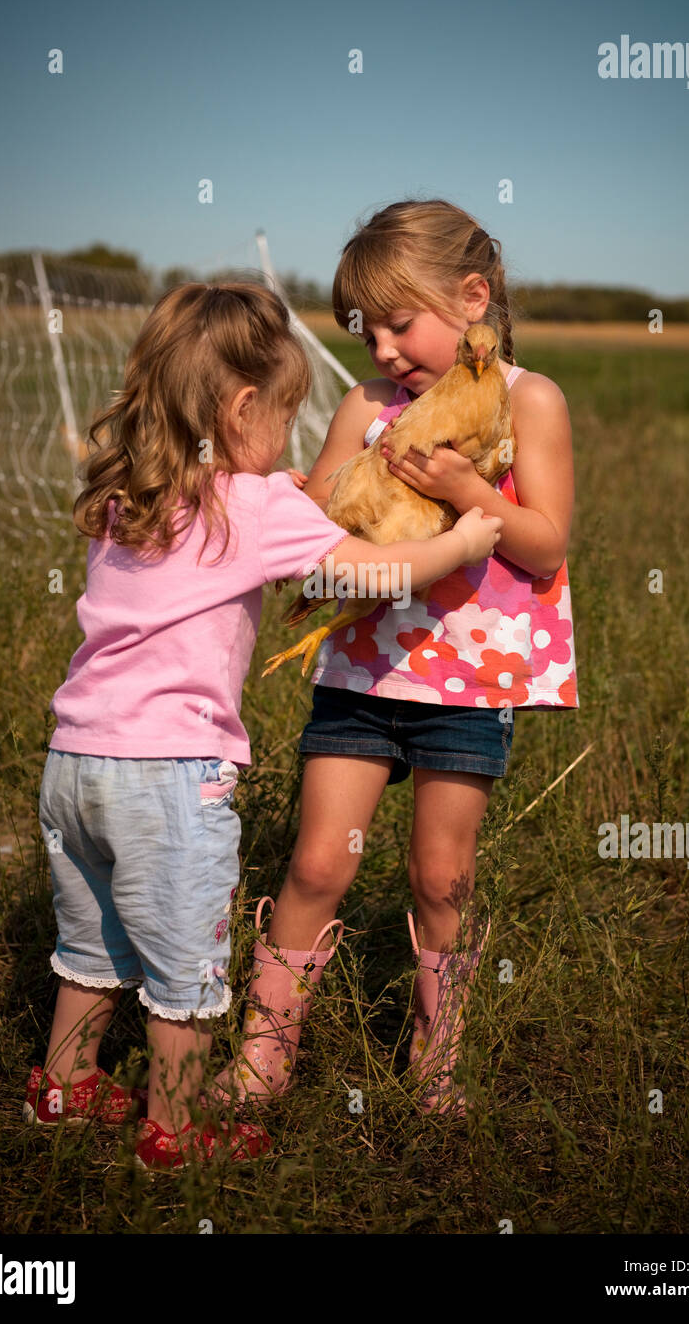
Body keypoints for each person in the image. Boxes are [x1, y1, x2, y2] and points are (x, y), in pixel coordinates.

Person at [26, 278, 504, 1170]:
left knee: (89, 942)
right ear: (242, 407)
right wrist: (461, 546)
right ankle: (176, 1129)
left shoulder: (126, 496)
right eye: (283, 418)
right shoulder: (254, 508)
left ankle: (64, 1084)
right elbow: (367, 573)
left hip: (75, 764)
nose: (288, 437)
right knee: (184, 967)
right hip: (170, 779)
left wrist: (272, 490)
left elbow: (212, 543)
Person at [211, 199, 579, 1117]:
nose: (380, 348)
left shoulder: (530, 397)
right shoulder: (368, 406)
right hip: (363, 674)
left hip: (469, 681)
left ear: (472, 298)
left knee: (438, 876)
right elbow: (326, 507)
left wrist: (464, 490)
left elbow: (545, 541)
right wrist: (302, 496)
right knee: (315, 865)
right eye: (362, 329)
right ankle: (265, 1051)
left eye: (397, 322)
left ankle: (434, 1054)